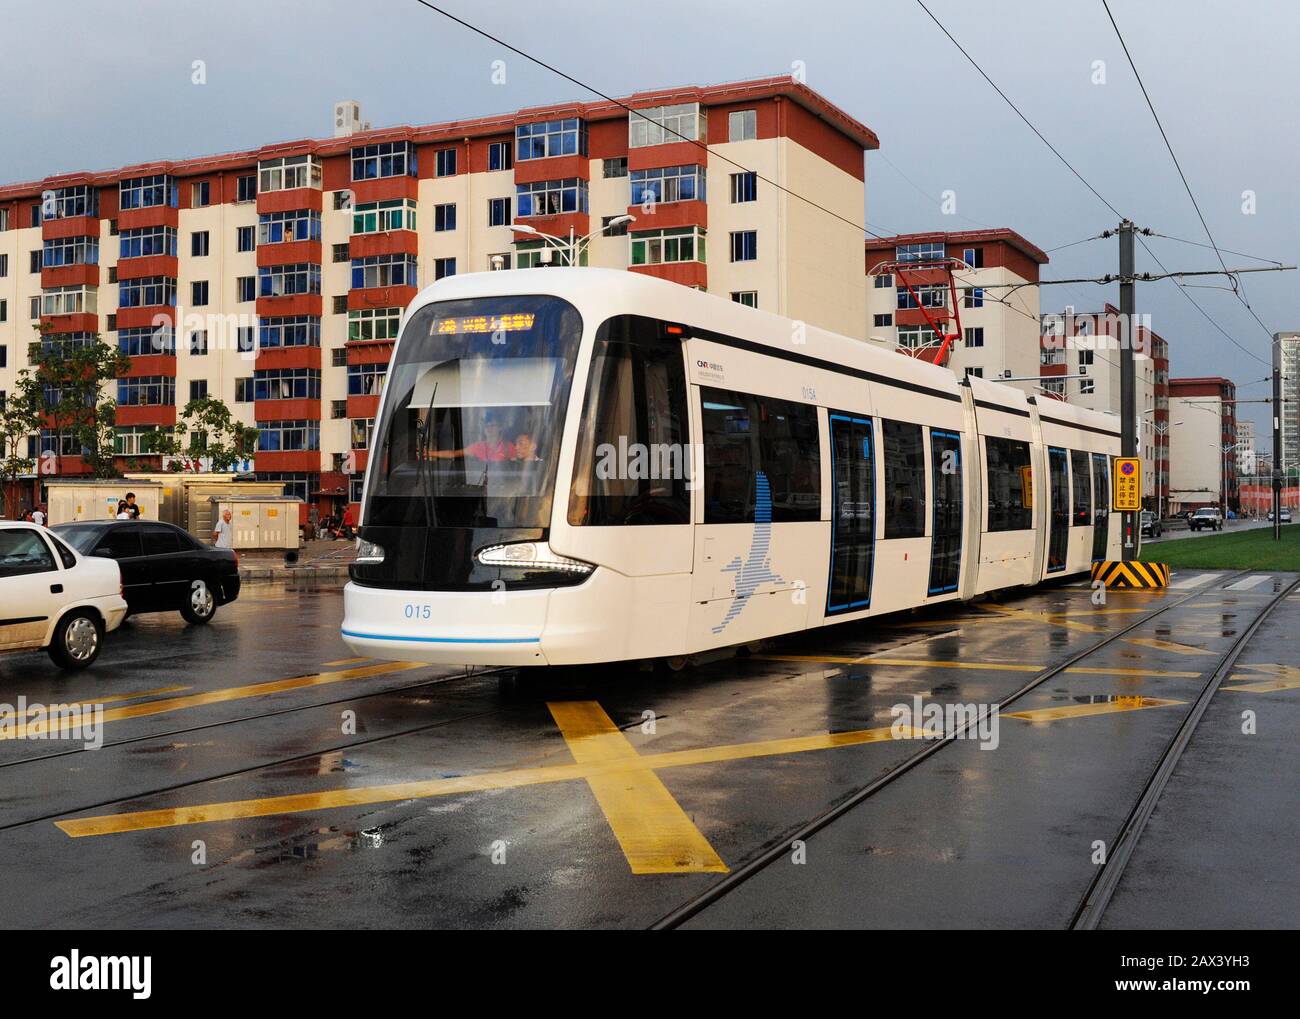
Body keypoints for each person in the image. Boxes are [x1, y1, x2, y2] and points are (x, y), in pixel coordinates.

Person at [427, 413, 515, 462]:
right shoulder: (478, 447)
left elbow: (520, 466)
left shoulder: (508, 447)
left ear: (500, 427)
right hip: (485, 488)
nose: (489, 429)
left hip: (503, 491)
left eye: (492, 425)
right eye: (486, 426)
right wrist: (430, 453)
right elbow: (453, 454)